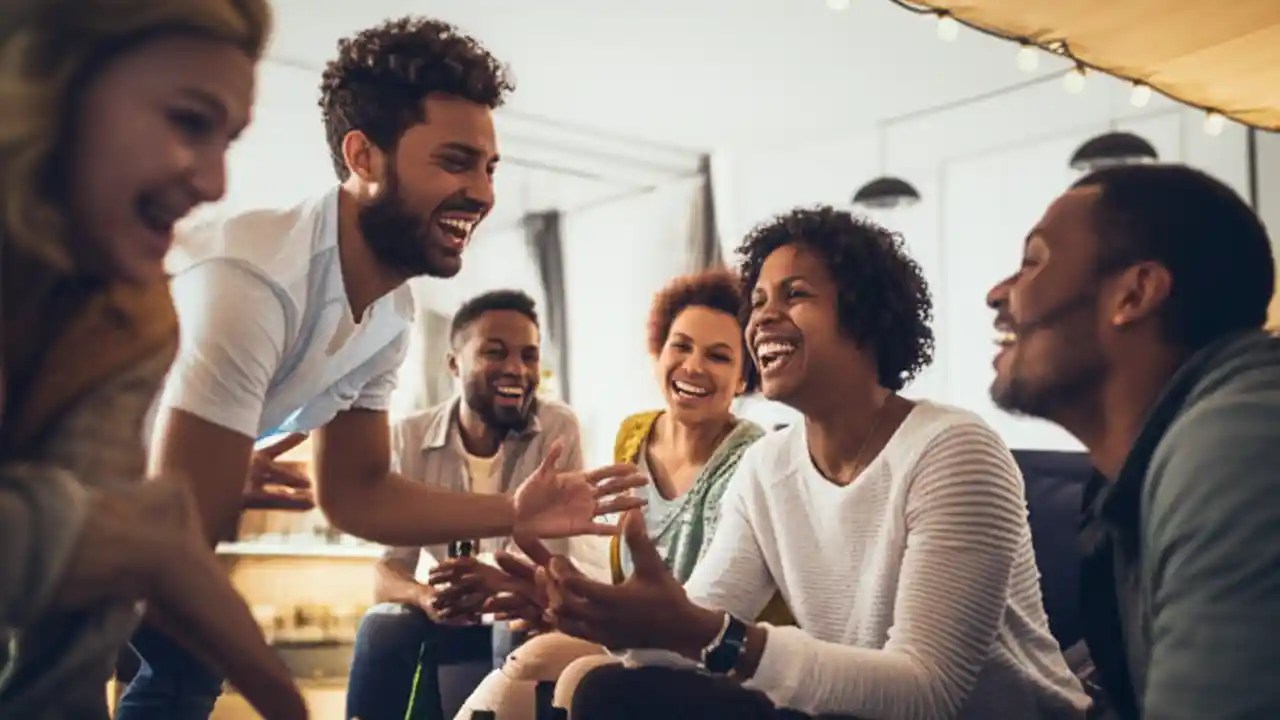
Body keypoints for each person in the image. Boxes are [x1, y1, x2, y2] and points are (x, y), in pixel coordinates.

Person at [124, 16, 644, 719]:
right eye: (455, 161)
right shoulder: (255, 283)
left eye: (489, 167)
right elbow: (178, 537)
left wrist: (514, 510)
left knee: (175, 668)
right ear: (363, 157)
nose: (484, 193)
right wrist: (284, 699)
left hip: (109, 497)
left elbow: (357, 492)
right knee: (153, 660)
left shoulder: (390, 313)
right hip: (37, 477)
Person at [536, 207, 1091, 718]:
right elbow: (688, 635)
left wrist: (713, 636)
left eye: (794, 295)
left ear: (865, 316)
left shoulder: (954, 448)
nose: (762, 319)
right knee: (610, 691)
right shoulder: (766, 467)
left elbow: (928, 690)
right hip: (853, 712)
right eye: (757, 302)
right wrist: (601, 614)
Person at [0, 1, 304, 718]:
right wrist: (124, 532)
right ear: (51, 85)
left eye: (228, 139)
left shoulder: (131, 319)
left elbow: (71, 647)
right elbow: (129, 541)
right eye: (190, 122)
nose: (214, 183)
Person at [985, 164, 1280, 720]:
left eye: (1033, 262)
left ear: (1135, 293)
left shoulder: (1240, 448)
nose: (997, 292)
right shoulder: (1139, 472)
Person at [454, 270, 780, 719]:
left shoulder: (755, 459)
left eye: (719, 356)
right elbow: (623, 587)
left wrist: (576, 606)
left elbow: (702, 618)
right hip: (640, 640)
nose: (693, 366)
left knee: (568, 676)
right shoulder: (635, 434)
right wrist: (548, 580)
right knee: (519, 666)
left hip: (716, 659)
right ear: (659, 351)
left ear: (745, 379)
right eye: (680, 346)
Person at [346, 289, 585, 720]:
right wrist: (423, 596)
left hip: (520, 611)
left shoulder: (558, 428)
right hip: (447, 619)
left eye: (529, 356)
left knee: (518, 632)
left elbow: (555, 563)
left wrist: (496, 583)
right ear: (455, 363)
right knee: (384, 625)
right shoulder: (411, 438)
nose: (516, 369)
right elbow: (388, 569)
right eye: (495, 353)